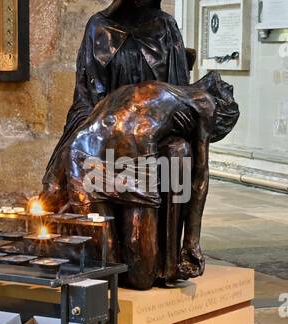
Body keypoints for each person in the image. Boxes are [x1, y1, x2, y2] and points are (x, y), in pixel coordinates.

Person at [45, 73, 240, 290]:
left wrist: (55, 179)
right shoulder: (206, 103)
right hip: (101, 161)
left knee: (110, 269)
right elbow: (199, 179)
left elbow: (83, 127)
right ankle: (57, 251)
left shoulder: (149, 90)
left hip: (86, 155)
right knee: (126, 275)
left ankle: (62, 251)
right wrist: (192, 242)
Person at [40, 0, 192, 201]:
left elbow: (178, 87)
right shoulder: (99, 26)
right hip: (108, 121)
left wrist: (182, 111)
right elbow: (87, 88)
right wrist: (101, 122)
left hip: (155, 123)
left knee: (180, 151)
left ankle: (178, 239)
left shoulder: (166, 27)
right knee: (83, 150)